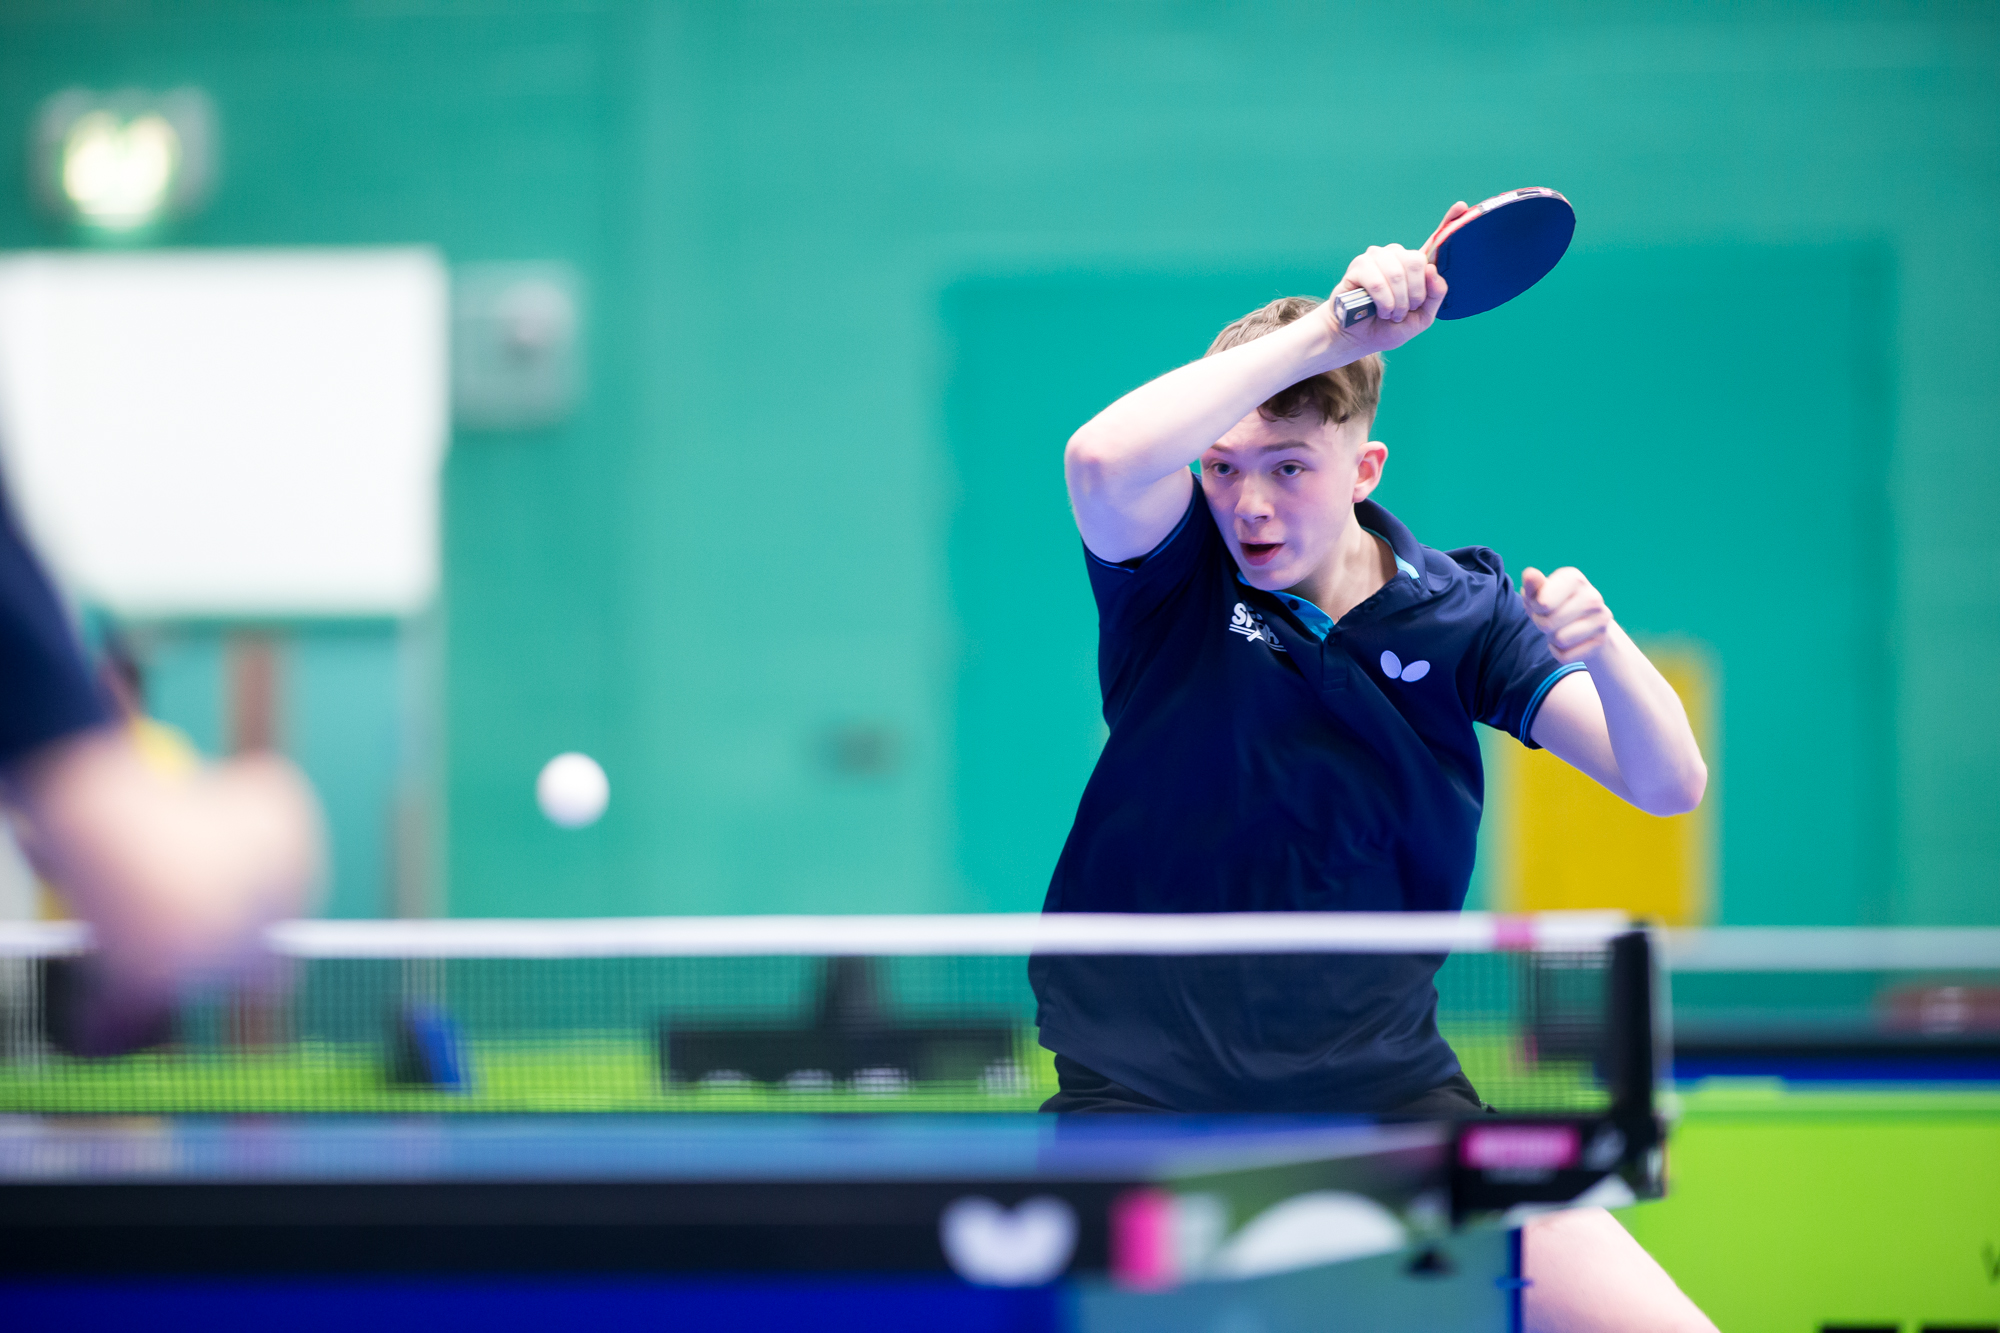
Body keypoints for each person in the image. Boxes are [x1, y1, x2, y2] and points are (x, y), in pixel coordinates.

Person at [1031, 204, 1716, 1330]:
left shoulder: (1464, 616)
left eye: (1289, 466)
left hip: (1380, 1100)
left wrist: (1609, 649)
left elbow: (1666, 782)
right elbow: (1100, 456)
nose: (1249, 503)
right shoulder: (1174, 577)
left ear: (1365, 467)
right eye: (1223, 467)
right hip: (1147, 1104)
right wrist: (1338, 327)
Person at [0, 471, 321, 1056]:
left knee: (148, 1101)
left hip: (137, 976)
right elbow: (170, 901)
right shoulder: (57, 744)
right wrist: (275, 811)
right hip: (69, 958)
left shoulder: (157, 751)